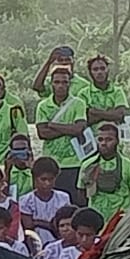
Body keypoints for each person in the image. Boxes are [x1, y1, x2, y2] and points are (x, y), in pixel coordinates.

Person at [35, 65, 89, 203]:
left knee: (75, 203)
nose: (60, 86)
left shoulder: (78, 103)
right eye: (57, 82)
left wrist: (52, 125)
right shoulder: (43, 105)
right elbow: (42, 133)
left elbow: (78, 129)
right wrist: (68, 129)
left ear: (69, 83)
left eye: (64, 82)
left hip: (75, 163)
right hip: (52, 163)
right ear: (51, 83)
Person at [82, 122, 130, 222]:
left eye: (109, 139)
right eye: (100, 139)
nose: (103, 143)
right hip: (96, 222)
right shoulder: (87, 165)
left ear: (117, 141)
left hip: (121, 221)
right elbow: (81, 195)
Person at [19, 156, 70, 244]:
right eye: (43, 179)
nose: (47, 183)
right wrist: (50, 225)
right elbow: (28, 226)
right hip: (37, 243)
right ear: (35, 178)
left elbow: (65, 223)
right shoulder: (26, 200)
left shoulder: (63, 198)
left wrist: (37, 222)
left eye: (51, 179)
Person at [82, 55, 129, 126]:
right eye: (95, 69)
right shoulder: (83, 93)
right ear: (90, 72)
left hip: (114, 134)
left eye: (102, 68)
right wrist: (110, 114)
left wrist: (94, 112)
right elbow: (85, 120)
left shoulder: (117, 91)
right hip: (91, 135)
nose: (99, 72)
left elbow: (119, 115)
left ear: (108, 70)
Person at [4, 133, 36, 198]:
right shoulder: (6, 171)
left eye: (23, 149)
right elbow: (3, 193)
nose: (20, 152)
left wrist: (33, 169)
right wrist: (7, 171)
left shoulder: (36, 170)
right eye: (17, 149)